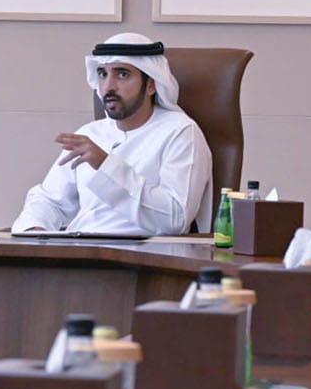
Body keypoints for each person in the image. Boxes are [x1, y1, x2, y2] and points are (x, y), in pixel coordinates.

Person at [13, 33, 215, 238]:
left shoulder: (180, 132)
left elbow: (175, 220)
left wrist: (105, 165)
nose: (108, 86)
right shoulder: (89, 133)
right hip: (80, 249)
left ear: (151, 85)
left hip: (144, 254)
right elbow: (50, 200)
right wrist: (34, 229)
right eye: (102, 74)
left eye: (122, 75)